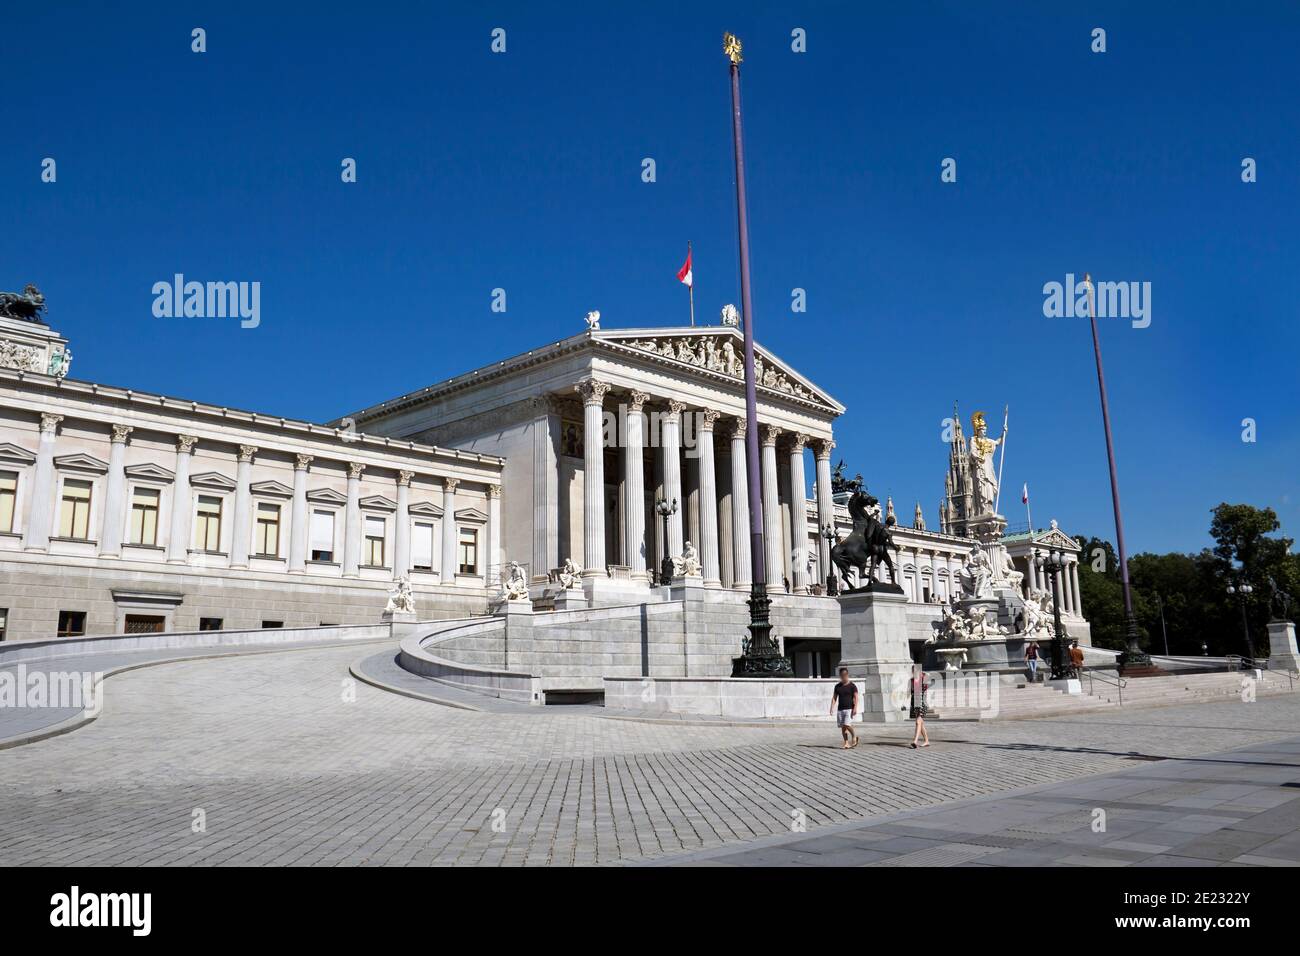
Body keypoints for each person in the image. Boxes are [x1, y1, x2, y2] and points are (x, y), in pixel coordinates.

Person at [829, 667, 860, 749]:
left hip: (849, 708)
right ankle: (846, 743)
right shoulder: (837, 686)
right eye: (842, 675)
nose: (843, 677)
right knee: (843, 727)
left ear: (847, 675)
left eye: (845, 675)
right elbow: (834, 698)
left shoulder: (852, 686)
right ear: (840, 676)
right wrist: (832, 707)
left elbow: (856, 697)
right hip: (840, 709)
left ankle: (854, 736)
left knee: (847, 724)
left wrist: (855, 708)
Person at [909, 664, 930, 749]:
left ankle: (915, 741)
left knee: (918, 722)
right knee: (920, 723)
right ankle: (927, 740)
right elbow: (909, 693)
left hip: (922, 703)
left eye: (915, 670)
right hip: (915, 703)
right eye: (913, 671)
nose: (914, 672)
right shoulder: (911, 680)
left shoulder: (923, 679)